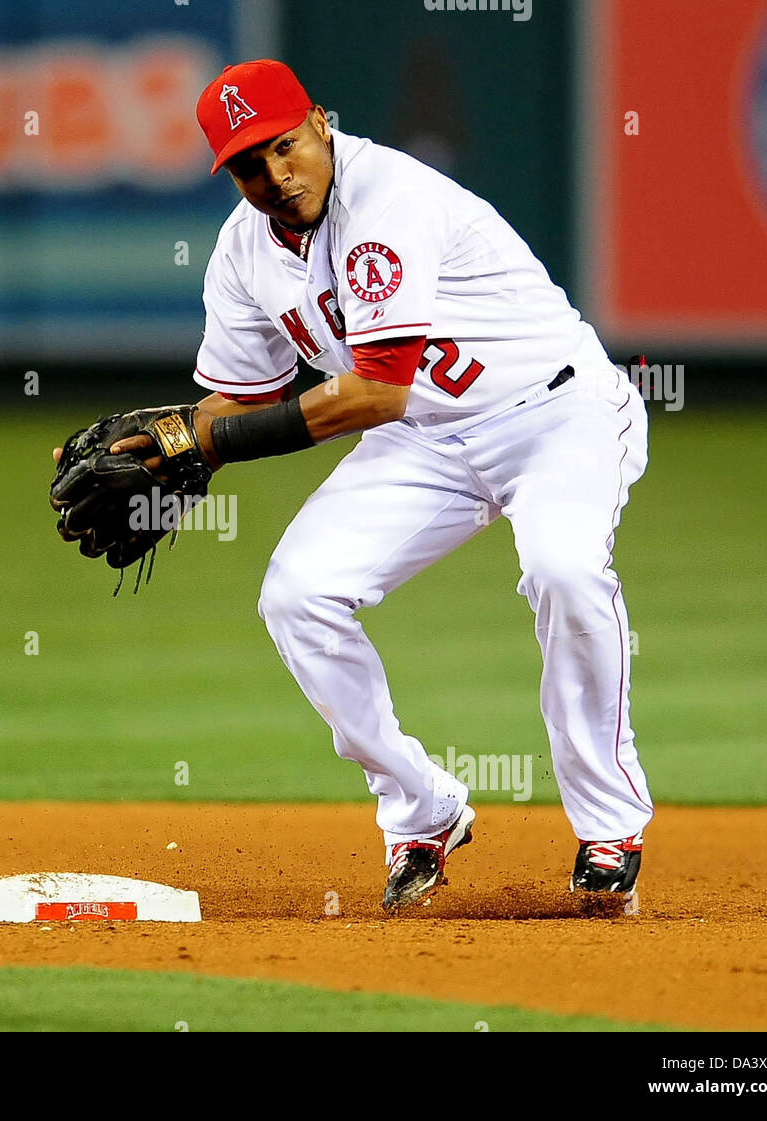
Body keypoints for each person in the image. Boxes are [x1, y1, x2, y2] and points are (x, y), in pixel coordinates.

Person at [61, 59, 652, 913]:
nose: (273, 173)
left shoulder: (388, 198)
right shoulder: (241, 251)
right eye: (247, 164)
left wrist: (210, 445)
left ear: (321, 122)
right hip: (428, 441)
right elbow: (246, 396)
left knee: (563, 569)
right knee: (297, 595)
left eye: (284, 145)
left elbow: (374, 390)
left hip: (555, 413)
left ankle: (609, 827)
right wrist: (162, 444)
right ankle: (423, 810)